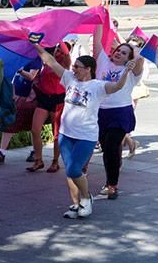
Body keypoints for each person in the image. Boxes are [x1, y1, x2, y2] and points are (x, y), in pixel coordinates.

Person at [33, 45, 134, 218]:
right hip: (66, 134)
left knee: (74, 169)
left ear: (88, 69)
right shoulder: (69, 78)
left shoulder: (98, 86)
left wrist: (125, 73)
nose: (73, 70)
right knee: (70, 172)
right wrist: (35, 44)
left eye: (77, 67)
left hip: (85, 136)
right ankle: (75, 204)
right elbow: (49, 61)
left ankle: (87, 198)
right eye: (74, 67)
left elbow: (117, 87)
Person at [93, 25, 144, 200]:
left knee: (111, 148)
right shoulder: (102, 63)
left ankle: (112, 185)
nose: (119, 53)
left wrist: (133, 57)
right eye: (117, 50)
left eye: (123, 53)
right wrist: (100, 18)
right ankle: (113, 171)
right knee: (106, 147)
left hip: (120, 113)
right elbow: (97, 41)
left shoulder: (131, 71)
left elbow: (140, 60)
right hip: (101, 113)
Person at [19, 43, 72, 173]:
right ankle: (38, 160)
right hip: (44, 98)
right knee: (35, 129)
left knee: (57, 134)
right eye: (56, 50)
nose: (57, 52)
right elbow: (34, 76)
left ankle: (55, 161)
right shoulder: (46, 64)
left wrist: (59, 37)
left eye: (60, 51)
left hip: (58, 99)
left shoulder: (64, 66)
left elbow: (66, 53)